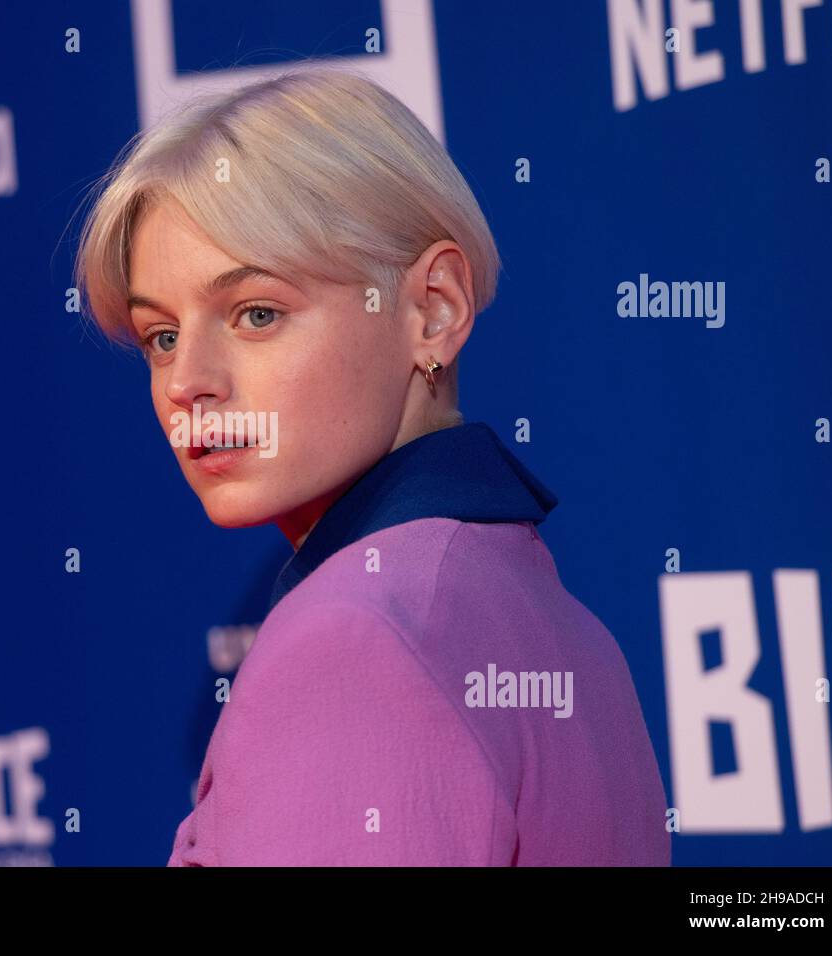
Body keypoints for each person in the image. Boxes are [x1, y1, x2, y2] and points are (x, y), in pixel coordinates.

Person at [71, 66, 670, 866]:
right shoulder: (568, 631)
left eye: (256, 313)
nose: (185, 384)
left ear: (433, 310)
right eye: (162, 336)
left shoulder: (354, 644)